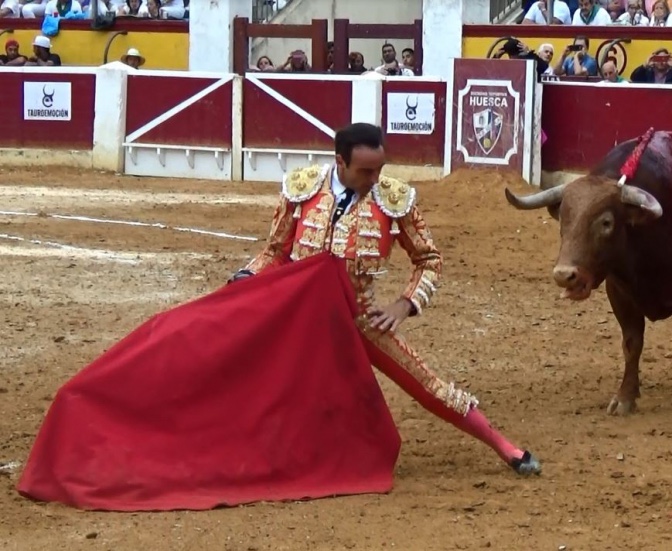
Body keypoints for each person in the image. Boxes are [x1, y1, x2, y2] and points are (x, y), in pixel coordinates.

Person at [231, 123, 542, 477]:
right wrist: (247, 276)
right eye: (366, 171)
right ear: (340, 162)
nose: (375, 179)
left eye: (380, 169)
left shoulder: (394, 200)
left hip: (361, 319)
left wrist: (404, 304)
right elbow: (275, 251)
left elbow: (429, 260)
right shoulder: (302, 189)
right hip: (303, 320)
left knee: (429, 386)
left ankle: (505, 447)